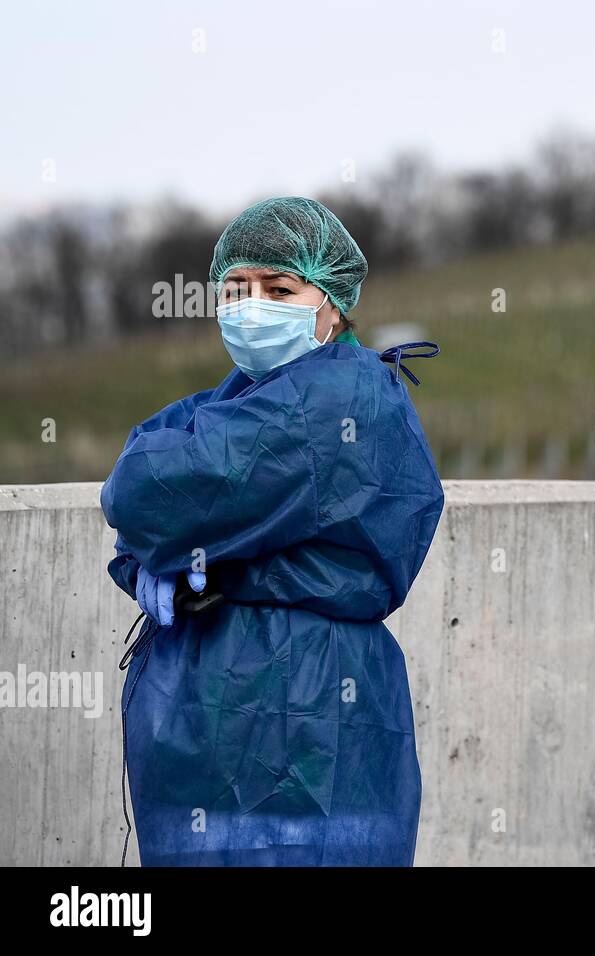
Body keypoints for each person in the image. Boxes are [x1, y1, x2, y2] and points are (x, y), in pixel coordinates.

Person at [101, 197, 443, 866]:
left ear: (334, 301)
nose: (252, 305)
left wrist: (200, 561)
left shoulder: (337, 398)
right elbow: (143, 478)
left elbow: (147, 491)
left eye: (279, 289)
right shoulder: (250, 394)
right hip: (234, 714)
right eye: (235, 289)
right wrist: (167, 554)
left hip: (298, 705)